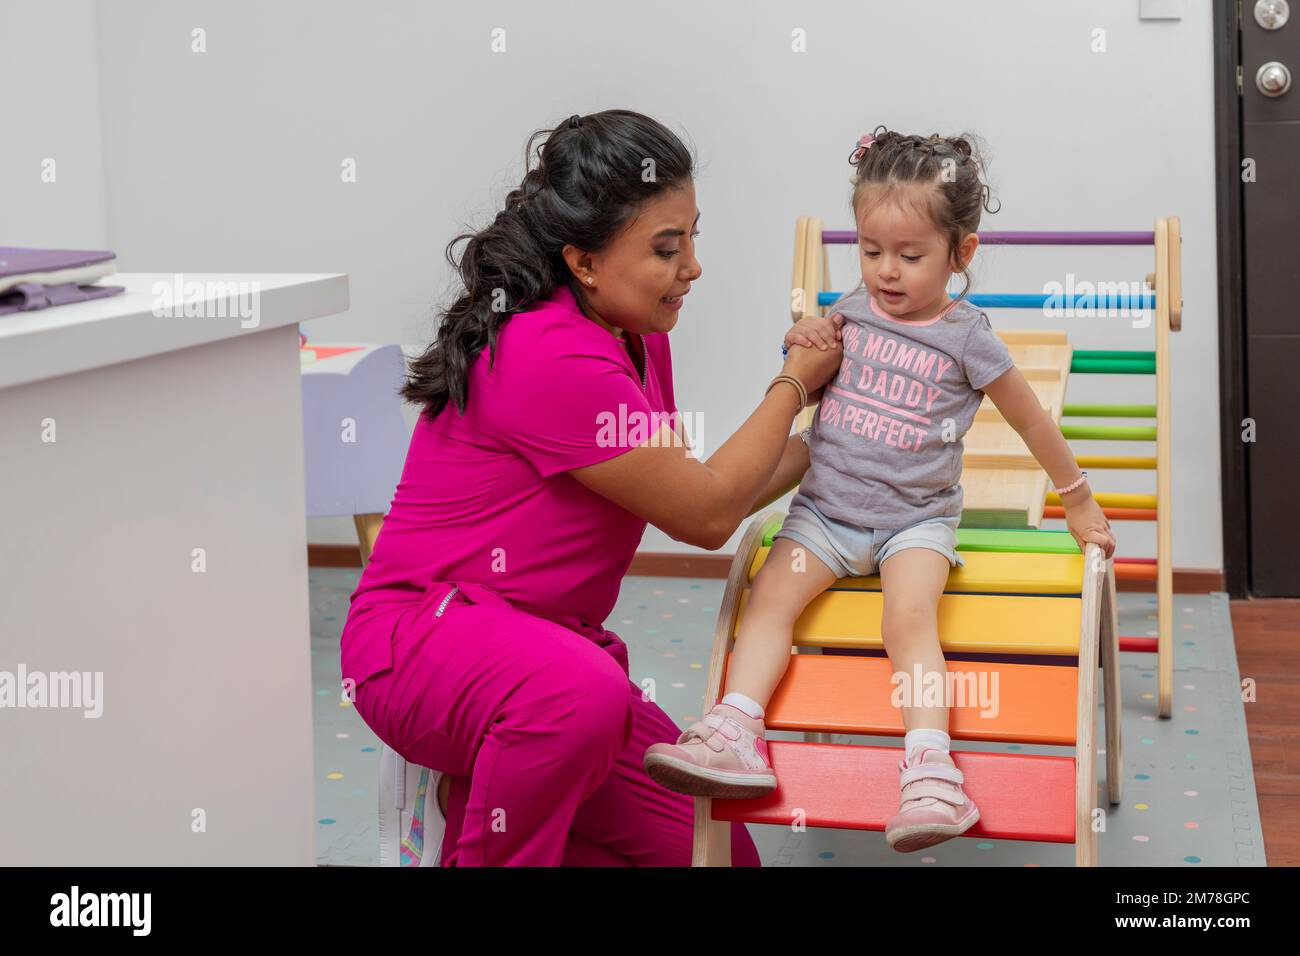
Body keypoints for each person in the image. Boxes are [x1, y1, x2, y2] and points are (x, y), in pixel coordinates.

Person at [339, 109, 842, 865]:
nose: (693, 267)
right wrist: (792, 385)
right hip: (423, 644)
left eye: (694, 237)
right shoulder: (547, 352)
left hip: (553, 662)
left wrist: (840, 436)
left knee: (720, 858)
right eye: (666, 248)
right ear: (583, 260)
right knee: (578, 697)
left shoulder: (634, 336)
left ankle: (469, 798)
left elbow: (697, 489)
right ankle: (469, 804)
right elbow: (706, 513)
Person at [644, 126, 1116, 854]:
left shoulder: (968, 338)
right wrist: (800, 332)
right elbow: (807, 364)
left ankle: (932, 770)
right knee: (767, 601)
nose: (886, 272)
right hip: (826, 515)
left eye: (910, 255)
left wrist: (1077, 497)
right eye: (871, 252)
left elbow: (1032, 422)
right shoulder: (852, 309)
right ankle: (737, 730)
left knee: (909, 622)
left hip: (913, 524)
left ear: (962, 253)